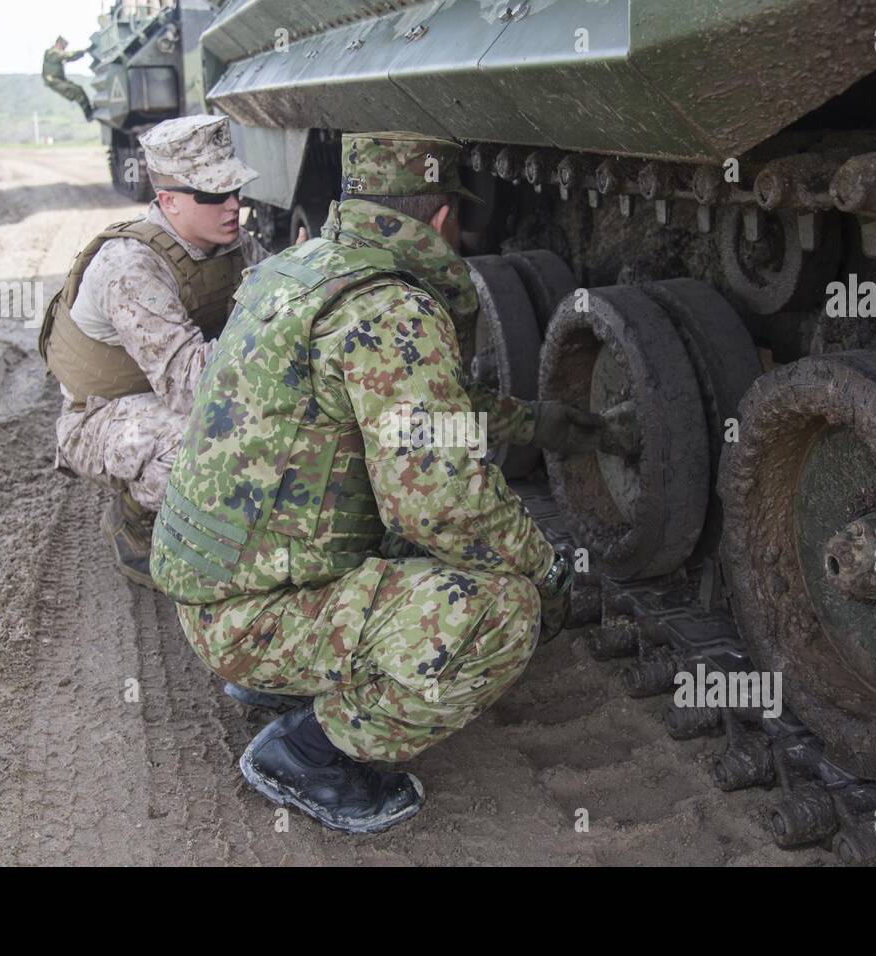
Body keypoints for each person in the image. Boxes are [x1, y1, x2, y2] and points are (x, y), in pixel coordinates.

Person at [150, 131, 620, 833]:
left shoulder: (298, 270)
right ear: (439, 219)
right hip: (250, 614)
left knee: (423, 544)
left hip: (220, 580)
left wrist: (538, 423)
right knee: (501, 609)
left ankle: (272, 672)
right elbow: (439, 505)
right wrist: (545, 571)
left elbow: (420, 411)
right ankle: (309, 753)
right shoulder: (394, 310)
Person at [38, 113, 269, 588]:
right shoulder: (130, 267)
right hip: (101, 417)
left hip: (161, 394)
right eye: (212, 195)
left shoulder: (230, 244)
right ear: (169, 201)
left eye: (236, 192)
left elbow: (281, 292)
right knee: (207, 440)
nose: (232, 205)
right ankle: (135, 520)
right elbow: (192, 388)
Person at [42, 36, 94, 121]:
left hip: (60, 80)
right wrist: (85, 51)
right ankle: (88, 115)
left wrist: (83, 53)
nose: (64, 49)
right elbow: (69, 55)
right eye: (63, 47)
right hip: (53, 81)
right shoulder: (51, 53)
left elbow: (71, 57)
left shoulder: (57, 54)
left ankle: (90, 110)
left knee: (79, 88)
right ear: (58, 44)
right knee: (75, 91)